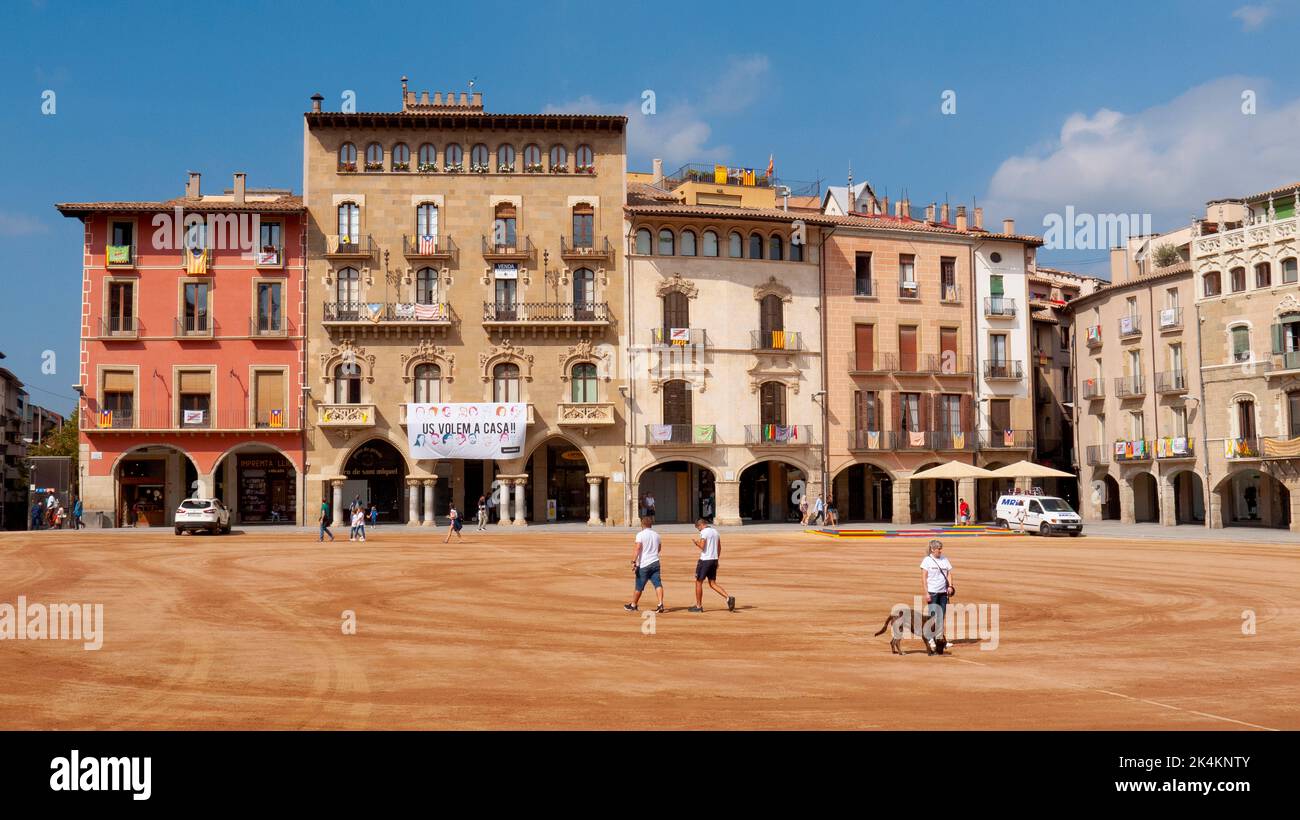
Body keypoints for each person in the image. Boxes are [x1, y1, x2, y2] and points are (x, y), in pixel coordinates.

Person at [689, 518, 735, 613]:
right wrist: (717, 560)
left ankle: (698, 606)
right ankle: (728, 598)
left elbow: (702, 546)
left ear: (701, 525)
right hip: (714, 560)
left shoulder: (704, 532)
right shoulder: (715, 532)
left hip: (705, 560)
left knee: (698, 582)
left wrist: (696, 543)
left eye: (698, 528)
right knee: (712, 583)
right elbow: (719, 547)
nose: (699, 530)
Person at [920, 539, 955, 655]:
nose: (940, 551)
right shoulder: (927, 561)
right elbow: (924, 578)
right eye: (938, 549)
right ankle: (930, 639)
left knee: (941, 616)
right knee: (933, 618)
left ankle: (939, 639)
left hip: (943, 593)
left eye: (941, 548)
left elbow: (949, 573)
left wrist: (950, 586)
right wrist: (926, 593)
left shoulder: (944, 559)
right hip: (933, 593)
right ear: (932, 549)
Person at [624, 516, 665, 614]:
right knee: (657, 584)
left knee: (639, 586)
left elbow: (638, 548)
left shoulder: (640, 535)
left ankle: (633, 605)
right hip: (655, 562)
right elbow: (659, 548)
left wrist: (634, 561)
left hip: (644, 564)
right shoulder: (656, 535)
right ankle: (660, 603)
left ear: (642, 525)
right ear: (651, 525)